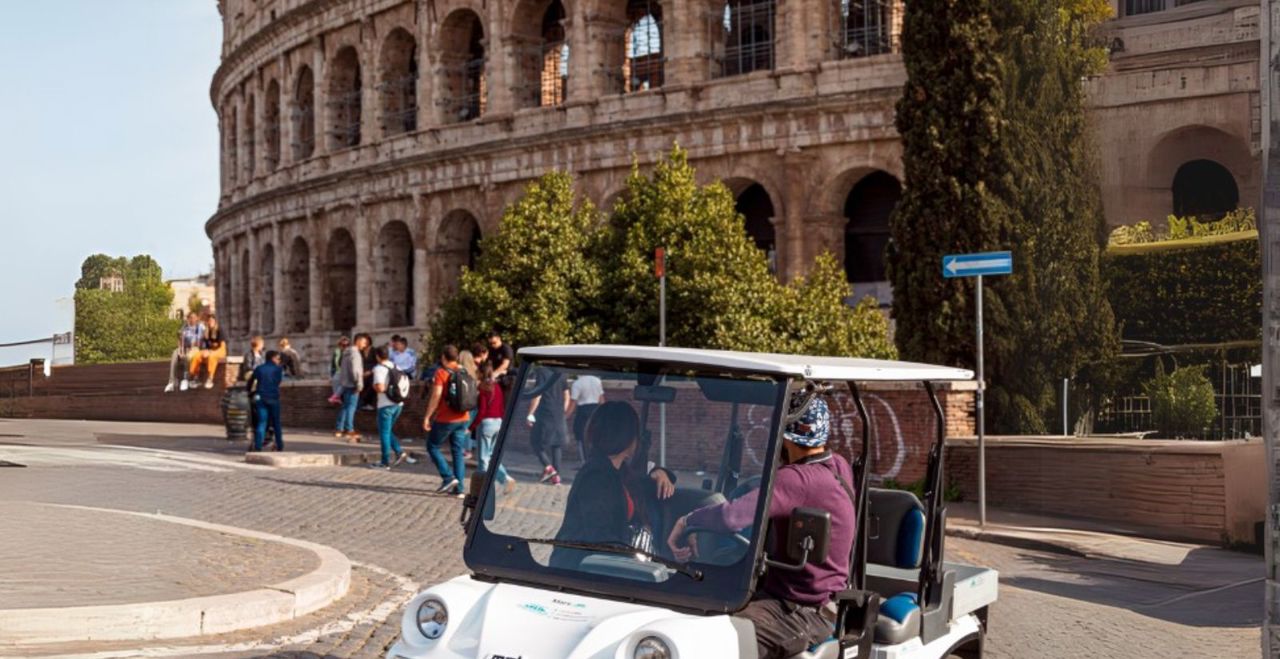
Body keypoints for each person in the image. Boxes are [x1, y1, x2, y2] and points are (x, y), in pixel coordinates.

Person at [667, 398, 855, 659]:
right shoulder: (838, 466)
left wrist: (687, 521)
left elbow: (731, 518)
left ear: (785, 435)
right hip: (821, 603)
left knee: (718, 639)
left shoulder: (795, 480)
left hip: (800, 613)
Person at [550, 401, 675, 569]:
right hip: (580, 570)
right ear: (626, 437)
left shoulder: (619, 471)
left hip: (603, 566)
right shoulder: (596, 477)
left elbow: (644, 486)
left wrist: (661, 473)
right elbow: (601, 536)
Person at [422, 345, 472, 496]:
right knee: (457, 451)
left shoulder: (441, 372)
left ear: (444, 357)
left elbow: (436, 395)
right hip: (463, 417)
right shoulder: (464, 370)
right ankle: (460, 488)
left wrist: (427, 416)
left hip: (446, 418)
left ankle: (447, 477)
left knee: (432, 446)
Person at [369, 346, 416, 470]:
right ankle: (399, 452)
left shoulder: (379, 368)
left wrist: (374, 387)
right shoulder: (396, 366)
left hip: (385, 405)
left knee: (384, 433)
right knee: (388, 430)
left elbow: (380, 388)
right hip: (398, 404)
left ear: (377, 356)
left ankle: (385, 462)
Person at [471, 361, 513, 493]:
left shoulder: (483, 388)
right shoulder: (497, 387)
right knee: (492, 456)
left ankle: (483, 487)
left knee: (483, 458)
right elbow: (501, 407)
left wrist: (472, 426)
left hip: (487, 423)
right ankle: (505, 478)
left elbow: (482, 410)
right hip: (498, 422)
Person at [526, 366, 570, 485]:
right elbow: (567, 396)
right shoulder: (561, 372)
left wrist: (530, 413)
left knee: (535, 442)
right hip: (558, 414)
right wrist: (563, 411)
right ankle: (557, 477)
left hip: (545, 413)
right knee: (556, 445)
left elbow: (537, 395)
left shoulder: (541, 372)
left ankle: (549, 468)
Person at [246, 350, 286, 452]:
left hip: (261, 397)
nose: (279, 360)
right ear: (273, 358)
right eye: (277, 358)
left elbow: (251, 381)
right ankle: (279, 445)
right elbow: (278, 382)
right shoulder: (278, 369)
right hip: (273, 397)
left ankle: (258, 446)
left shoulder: (259, 368)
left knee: (261, 422)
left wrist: (248, 391)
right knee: (276, 422)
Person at [335, 333, 368, 442]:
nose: (365, 345)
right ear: (358, 341)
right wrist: (359, 383)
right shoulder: (355, 354)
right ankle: (349, 429)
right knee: (351, 407)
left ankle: (339, 429)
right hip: (353, 384)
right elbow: (356, 370)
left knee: (345, 406)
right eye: (364, 342)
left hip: (345, 383)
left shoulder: (346, 353)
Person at [164, 312, 206, 392]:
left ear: (197, 318)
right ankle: (171, 381)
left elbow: (201, 340)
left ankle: (185, 379)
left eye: (194, 317)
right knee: (175, 353)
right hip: (186, 347)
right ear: (188, 318)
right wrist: (180, 350)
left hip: (196, 348)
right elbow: (181, 339)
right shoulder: (185, 327)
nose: (192, 319)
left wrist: (190, 347)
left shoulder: (200, 327)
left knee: (187, 356)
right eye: (190, 317)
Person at [569, 373, 605, 461]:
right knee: (596, 436)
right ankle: (595, 459)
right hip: (596, 409)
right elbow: (601, 398)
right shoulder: (597, 380)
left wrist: (566, 415)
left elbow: (573, 402)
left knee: (582, 437)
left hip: (583, 411)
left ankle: (585, 461)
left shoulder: (577, 383)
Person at [188, 314, 226, 389]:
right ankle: (195, 377)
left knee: (212, 356)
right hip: (210, 350)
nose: (210, 322)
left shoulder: (219, 330)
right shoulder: (206, 331)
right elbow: (205, 345)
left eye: (212, 320)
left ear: (215, 321)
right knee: (197, 355)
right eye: (209, 321)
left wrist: (210, 352)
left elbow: (222, 345)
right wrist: (205, 351)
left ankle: (210, 378)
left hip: (220, 350)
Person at [328, 336, 350, 405]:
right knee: (334, 380)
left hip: (346, 372)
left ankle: (336, 396)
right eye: (343, 345)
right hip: (338, 371)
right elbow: (333, 364)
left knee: (342, 382)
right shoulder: (337, 351)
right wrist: (331, 375)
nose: (345, 347)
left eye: (347, 345)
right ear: (339, 345)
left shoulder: (349, 352)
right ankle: (337, 397)